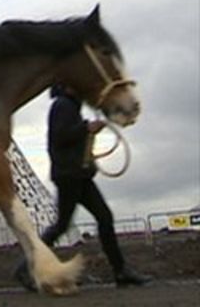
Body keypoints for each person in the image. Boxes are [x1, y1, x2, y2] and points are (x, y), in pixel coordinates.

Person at [14, 84, 150, 291]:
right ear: (68, 87)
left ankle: (121, 271)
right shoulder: (62, 106)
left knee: (103, 217)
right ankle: (25, 268)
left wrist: (87, 133)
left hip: (80, 175)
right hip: (69, 176)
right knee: (62, 225)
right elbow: (59, 137)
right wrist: (86, 128)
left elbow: (70, 140)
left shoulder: (70, 107)